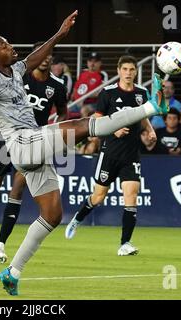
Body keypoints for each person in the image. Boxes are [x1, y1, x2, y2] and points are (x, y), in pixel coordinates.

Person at [0, 11, 168, 296]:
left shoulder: (15, 69)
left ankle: (12, 272)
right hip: (22, 142)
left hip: (33, 149)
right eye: (3, 45)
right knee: (79, 125)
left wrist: (60, 34)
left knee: (53, 215)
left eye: (7, 42)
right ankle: (150, 108)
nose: (9, 46)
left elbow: (36, 57)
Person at [0, 41, 68, 264]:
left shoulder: (57, 86)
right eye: (41, 54)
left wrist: (51, 132)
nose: (45, 58)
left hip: (33, 145)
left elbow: (62, 113)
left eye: (48, 54)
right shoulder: (18, 74)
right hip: (7, 141)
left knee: (16, 190)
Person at [65, 55, 157, 257]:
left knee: (131, 196)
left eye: (132, 69)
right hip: (110, 153)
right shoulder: (107, 93)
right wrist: (113, 130)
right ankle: (77, 219)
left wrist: (149, 130)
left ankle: (125, 243)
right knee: (98, 197)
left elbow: (142, 116)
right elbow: (96, 123)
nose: (128, 73)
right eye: (125, 69)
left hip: (131, 154)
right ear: (118, 70)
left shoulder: (142, 93)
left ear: (136, 71)